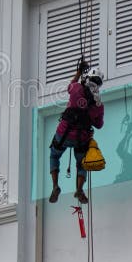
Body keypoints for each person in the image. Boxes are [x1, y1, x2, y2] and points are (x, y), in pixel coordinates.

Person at [48, 60, 105, 204]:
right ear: (99, 84)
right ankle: (79, 189)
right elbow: (99, 125)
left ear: (87, 79)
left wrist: (79, 72)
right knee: (81, 163)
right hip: (81, 139)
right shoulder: (98, 104)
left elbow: (69, 86)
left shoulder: (76, 88)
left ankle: (55, 186)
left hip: (63, 134)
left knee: (54, 156)